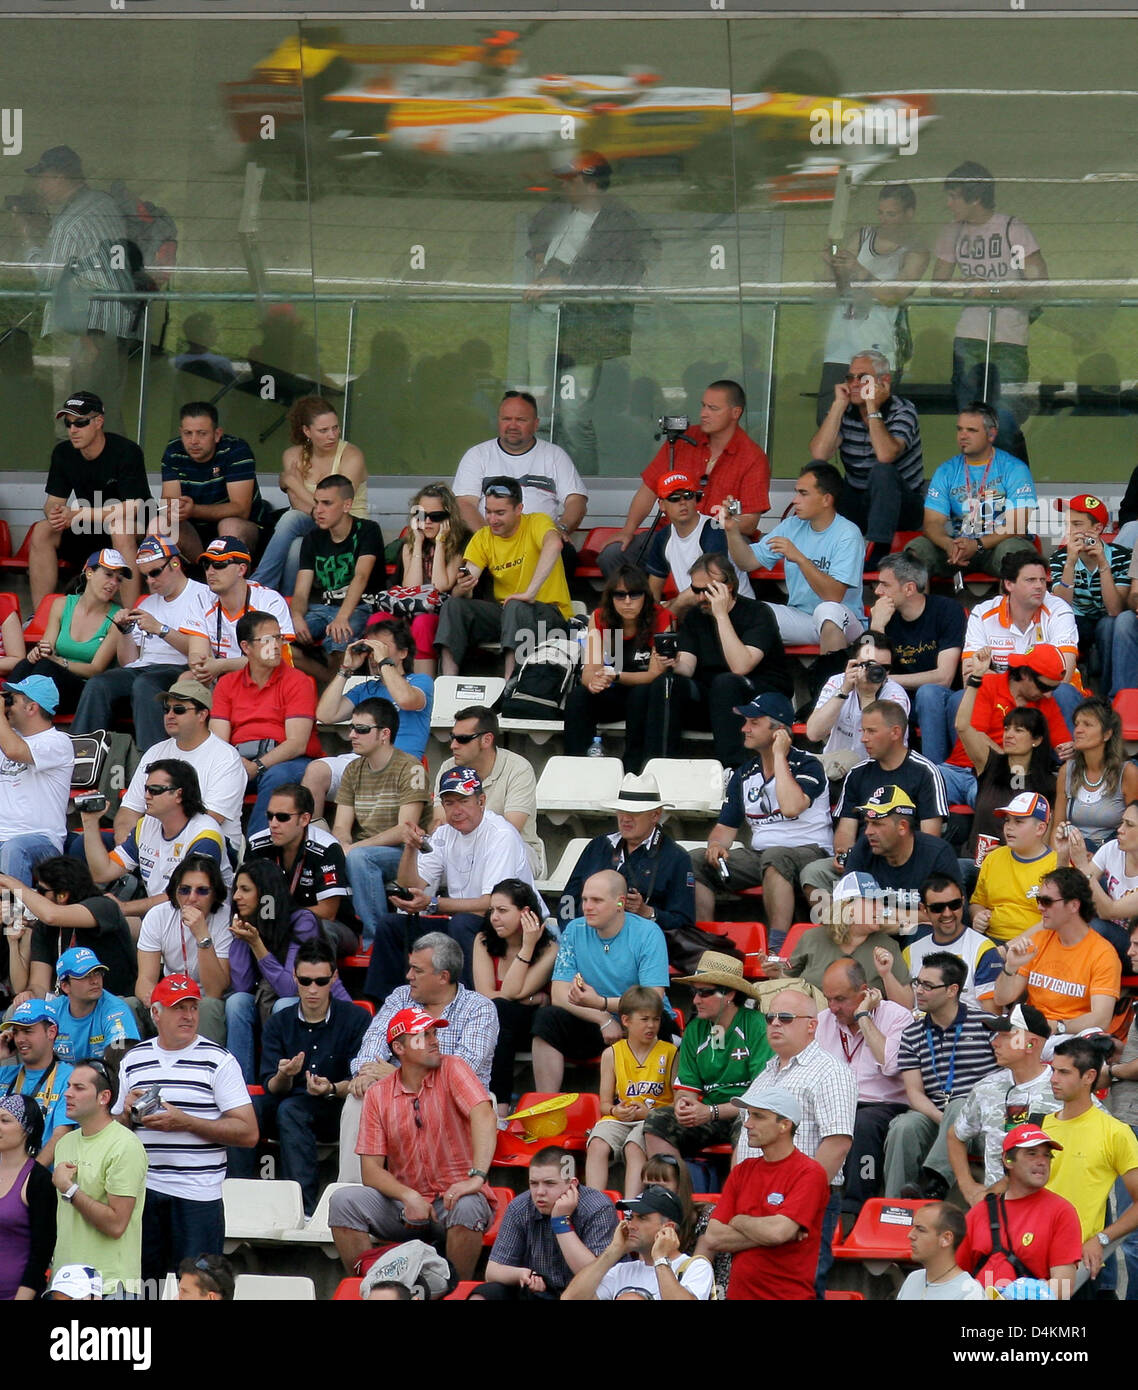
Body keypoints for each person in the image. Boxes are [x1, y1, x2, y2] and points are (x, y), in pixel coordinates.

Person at [328, 1007, 496, 1281]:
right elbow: (370, 1171)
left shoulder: (453, 1067)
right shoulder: (378, 1094)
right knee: (343, 1202)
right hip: (403, 1206)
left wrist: (477, 1177)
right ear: (399, 1047)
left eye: (433, 1033)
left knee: (468, 1205)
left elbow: (484, 1114)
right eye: (422, 1036)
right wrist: (408, 1195)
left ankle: (457, 1292)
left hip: (454, 1197)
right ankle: (371, 1290)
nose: (434, 1040)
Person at [114, 974, 256, 1289]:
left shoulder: (218, 1060)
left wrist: (186, 1122)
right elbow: (113, 1131)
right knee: (142, 1286)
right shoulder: (134, 1059)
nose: (188, 1015)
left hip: (198, 1194)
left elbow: (248, 1133)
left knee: (199, 1288)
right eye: (178, 1008)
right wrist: (126, 1113)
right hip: (144, 1191)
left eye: (193, 1006)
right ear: (155, 1013)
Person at [525, 151, 655, 476]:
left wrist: (560, 281)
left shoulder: (620, 221)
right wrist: (541, 256)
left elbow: (622, 272)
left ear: (591, 182)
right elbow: (539, 225)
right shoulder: (560, 211)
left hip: (584, 328)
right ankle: (540, 481)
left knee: (574, 416)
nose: (566, 186)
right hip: (545, 319)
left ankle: (583, 488)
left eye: (572, 179)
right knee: (539, 410)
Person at [362, 766, 539, 1003]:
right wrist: (411, 849)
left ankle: (468, 1007)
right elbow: (411, 884)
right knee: (391, 925)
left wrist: (434, 904)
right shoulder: (444, 833)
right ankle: (387, 1006)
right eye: (449, 803)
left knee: (463, 923)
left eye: (463, 801)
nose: (456, 810)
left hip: (509, 926)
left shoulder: (500, 834)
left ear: (481, 800)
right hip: (465, 921)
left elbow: (490, 905)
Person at [340, 932, 500, 1183]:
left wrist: (397, 1076)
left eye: (417, 970)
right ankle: (350, 1191)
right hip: (397, 1096)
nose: (409, 976)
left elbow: (462, 1071)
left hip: (456, 1101)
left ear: (443, 977)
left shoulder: (479, 1008)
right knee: (359, 1098)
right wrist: (365, 1073)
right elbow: (374, 1041)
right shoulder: (401, 997)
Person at [731, 989, 857, 1295]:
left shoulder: (830, 1071)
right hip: (757, 1199)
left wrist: (798, 1204)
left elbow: (838, 1142)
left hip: (803, 1203)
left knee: (799, 1288)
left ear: (812, 1025)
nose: (775, 1024)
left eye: (785, 1018)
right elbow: (744, 1138)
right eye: (770, 1017)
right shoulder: (765, 1073)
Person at [693, 693, 831, 950]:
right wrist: (715, 845)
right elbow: (725, 827)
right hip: (761, 855)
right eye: (745, 722)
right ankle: (702, 941)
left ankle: (777, 948)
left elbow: (791, 808)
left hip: (810, 852)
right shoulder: (744, 773)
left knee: (776, 857)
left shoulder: (808, 765)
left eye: (754, 723)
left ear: (779, 730)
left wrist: (779, 756)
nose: (745, 728)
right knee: (695, 860)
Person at [243, 939, 369, 1216]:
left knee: (291, 1110)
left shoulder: (356, 1019)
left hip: (337, 1104)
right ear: (295, 977)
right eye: (306, 980)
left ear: (334, 978)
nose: (313, 989)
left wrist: (331, 1088)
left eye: (321, 981)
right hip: (289, 1099)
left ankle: (304, 1208)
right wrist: (284, 1075)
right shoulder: (279, 1021)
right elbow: (272, 1086)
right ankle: (232, 1195)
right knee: (244, 1109)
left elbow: (364, 1080)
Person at [931, 161, 1048, 460]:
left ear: (975, 196)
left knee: (1005, 421)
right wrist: (964, 285)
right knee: (970, 424)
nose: (948, 204)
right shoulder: (952, 233)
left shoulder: (1012, 229)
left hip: (1009, 338)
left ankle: (1015, 489)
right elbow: (937, 286)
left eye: (954, 196)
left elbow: (1040, 284)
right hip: (969, 337)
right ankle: (976, 490)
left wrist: (993, 289)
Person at [23, 141, 140, 430]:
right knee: (106, 414)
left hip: (84, 331)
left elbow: (48, 276)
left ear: (58, 177)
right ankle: (113, 473)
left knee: (74, 419)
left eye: (41, 178)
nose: (38, 185)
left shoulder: (70, 223)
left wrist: (27, 240)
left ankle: (77, 474)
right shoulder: (103, 204)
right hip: (116, 323)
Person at [601, 379, 770, 577]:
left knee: (713, 563)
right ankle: (641, 604)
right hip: (672, 533)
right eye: (703, 406)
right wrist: (628, 530)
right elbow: (649, 489)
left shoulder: (753, 457)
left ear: (736, 413)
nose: (703, 413)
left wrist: (716, 525)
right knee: (612, 555)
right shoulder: (683, 440)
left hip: (720, 536)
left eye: (713, 408)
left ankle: (704, 605)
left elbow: (750, 521)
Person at [641, 552, 793, 770]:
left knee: (726, 682)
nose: (702, 597)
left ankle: (733, 770)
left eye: (709, 590)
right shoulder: (695, 615)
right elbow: (687, 666)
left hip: (760, 695)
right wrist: (672, 664)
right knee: (667, 683)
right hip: (715, 699)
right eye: (696, 590)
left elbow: (741, 666)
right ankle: (657, 767)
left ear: (728, 586)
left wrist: (721, 615)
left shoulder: (758, 613)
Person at [533, 870, 670, 1093]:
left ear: (620, 902)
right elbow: (559, 995)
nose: (587, 906)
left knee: (650, 1018)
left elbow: (652, 999)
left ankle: (646, 1104)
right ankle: (547, 1106)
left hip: (644, 1021)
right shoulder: (574, 931)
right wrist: (603, 1018)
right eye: (585, 899)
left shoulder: (648, 933)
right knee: (547, 1019)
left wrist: (602, 1003)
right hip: (596, 1022)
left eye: (596, 900)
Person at [72, 536, 208, 754]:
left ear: (175, 563)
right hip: (144, 669)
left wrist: (161, 629)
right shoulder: (146, 602)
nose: (150, 581)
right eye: (145, 576)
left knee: (145, 685)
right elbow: (129, 662)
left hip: (181, 668)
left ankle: (152, 761)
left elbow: (203, 651)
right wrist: (124, 632)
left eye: (155, 572)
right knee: (99, 683)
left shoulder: (203, 596)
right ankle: (82, 757)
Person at [224, 858, 354, 1083]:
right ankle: (241, 1087)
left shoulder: (302, 921)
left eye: (245, 889)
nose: (236, 896)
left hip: (326, 1007)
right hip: (277, 1003)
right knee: (237, 1002)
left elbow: (290, 988)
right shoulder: (254, 923)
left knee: (284, 1005)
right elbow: (242, 985)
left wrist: (257, 944)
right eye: (236, 889)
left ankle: (289, 1082)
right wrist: (241, 940)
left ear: (265, 894)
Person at [883, 952, 998, 1201]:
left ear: (952, 990)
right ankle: (895, 1208)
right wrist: (943, 1118)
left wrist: (957, 1117)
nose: (919, 991)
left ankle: (933, 1182)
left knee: (961, 1105)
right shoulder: (912, 1034)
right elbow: (914, 1093)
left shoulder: (987, 1024)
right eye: (917, 982)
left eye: (928, 985)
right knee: (903, 1127)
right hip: (934, 1116)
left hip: (980, 1124)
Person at [435, 475, 571, 680]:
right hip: (508, 614)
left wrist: (529, 593)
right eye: (488, 512)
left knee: (516, 606)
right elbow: (464, 584)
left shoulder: (536, 521)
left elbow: (555, 545)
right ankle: (448, 682)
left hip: (550, 614)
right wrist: (464, 586)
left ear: (519, 509)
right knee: (453, 605)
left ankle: (509, 685)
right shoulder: (483, 536)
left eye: (500, 513)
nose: (492, 519)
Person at [704, 1084, 831, 1301]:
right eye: (748, 1115)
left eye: (758, 1117)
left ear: (784, 1125)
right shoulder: (742, 1171)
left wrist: (739, 1220)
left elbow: (777, 1233)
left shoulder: (809, 1173)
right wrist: (775, 1233)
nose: (747, 1124)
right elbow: (713, 1237)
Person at [724, 462, 866, 655]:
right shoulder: (791, 526)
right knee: (742, 613)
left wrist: (799, 558)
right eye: (796, 492)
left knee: (828, 611)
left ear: (826, 499)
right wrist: (732, 531)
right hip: (801, 618)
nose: (795, 500)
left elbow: (833, 596)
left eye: (803, 493)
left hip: (845, 621)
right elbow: (747, 562)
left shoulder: (847, 533)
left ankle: (834, 684)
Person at [643, 951, 770, 1162]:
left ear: (729, 994)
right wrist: (685, 1106)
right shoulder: (694, 1029)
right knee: (657, 1121)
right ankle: (673, 1194)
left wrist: (712, 1111)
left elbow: (761, 1098)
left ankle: (739, 1194)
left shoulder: (757, 1025)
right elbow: (686, 1088)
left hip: (747, 1112)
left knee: (751, 1120)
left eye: (704, 993)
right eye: (694, 991)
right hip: (709, 1112)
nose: (695, 1000)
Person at [813, 183, 928, 415]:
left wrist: (859, 269)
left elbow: (893, 296)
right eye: (881, 212)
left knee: (872, 419)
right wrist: (832, 265)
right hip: (841, 345)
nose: (884, 219)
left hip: (880, 349)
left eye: (891, 214)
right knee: (829, 418)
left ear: (909, 213)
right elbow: (831, 290)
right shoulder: (862, 236)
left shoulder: (916, 251)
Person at [812, 699, 949, 891]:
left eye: (871, 731)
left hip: (906, 863)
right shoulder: (857, 773)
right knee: (813, 874)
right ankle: (840, 920)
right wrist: (845, 854)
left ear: (895, 732)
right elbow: (845, 829)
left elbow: (930, 837)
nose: (863, 739)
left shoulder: (925, 772)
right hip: (863, 861)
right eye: (863, 731)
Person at [209, 612, 322, 836]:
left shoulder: (297, 681)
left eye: (279, 638)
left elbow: (297, 743)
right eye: (268, 640)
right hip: (239, 760)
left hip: (288, 760)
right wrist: (238, 764)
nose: (277, 645)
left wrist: (257, 766)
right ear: (246, 646)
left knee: (276, 777)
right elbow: (219, 741)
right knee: (205, 775)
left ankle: (256, 850)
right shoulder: (227, 684)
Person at [809, 348, 927, 562]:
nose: (854, 383)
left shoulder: (903, 410)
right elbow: (820, 453)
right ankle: (815, 544)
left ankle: (877, 555)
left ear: (885, 381)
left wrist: (872, 406)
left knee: (882, 471)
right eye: (850, 377)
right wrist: (837, 406)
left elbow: (885, 455)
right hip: (859, 500)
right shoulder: (846, 411)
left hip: (903, 506)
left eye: (863, 378)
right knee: (818, 470)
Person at [816, 956, 912, 1219]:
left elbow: (891, 1065)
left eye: (840, 999)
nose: (833, 1008)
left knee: (861, 1122)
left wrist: (863, 1017)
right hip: (834, 1103)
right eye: (828, 999)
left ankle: (855, 1209)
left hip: (881, 1105)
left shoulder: (896, 1017)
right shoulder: (824, 1020)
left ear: (865, 992)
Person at [562, 772, 694, 955]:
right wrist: (570, 935)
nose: (625, 818)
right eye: (621, 811)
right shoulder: (598, 846)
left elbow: (684, 922)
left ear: (655, 815)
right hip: (586, 940)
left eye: (634, 813)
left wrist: (647, 912)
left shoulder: (676, 858)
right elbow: (568, 899)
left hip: (641, 948)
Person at [904, 402, 1038, 582]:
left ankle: (1007, 610)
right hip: (959, 547)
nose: (963, 436)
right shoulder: (946, 471)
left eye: (971, 430)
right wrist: (948, 544)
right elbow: (932, 523)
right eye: (960, 429)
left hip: (997, 546)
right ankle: (920, 610)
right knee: (917, 550)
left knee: (1014, 553)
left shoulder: (1015, 469)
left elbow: (1017, 524)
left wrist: (978, 545)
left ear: (991, 434)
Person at [83, 757, 230, 920]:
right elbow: (102, 872)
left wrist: (124, 907)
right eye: (146, 789)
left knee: (107, 921)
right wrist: (90, 823)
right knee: (95, 920)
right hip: (161, 919)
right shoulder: (146, 824)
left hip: (201, 921)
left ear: (178, 794)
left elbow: (187, 897)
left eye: (154, 790)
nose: (146, 796)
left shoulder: (205, 835)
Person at [309, 617, 433, 809]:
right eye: (371, 647)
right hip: (360, 763)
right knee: (316, 771)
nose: (374, 654)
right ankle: (316, 836)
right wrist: (345, 669)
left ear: (403, 652)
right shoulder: (364, 688)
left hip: (399, 764)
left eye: (382, 646)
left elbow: (406, 700)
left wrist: (384, 661)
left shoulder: (420, 682)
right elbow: (326, 715)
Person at [251, 395, 369, 595]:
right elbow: (298, 505)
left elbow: (337, 506)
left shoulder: (351, 456)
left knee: (290, 519)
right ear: (307, 431)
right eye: (323, 430)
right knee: (297, 545)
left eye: (335, 428)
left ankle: (258, 587)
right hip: (312, 527)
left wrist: (293, 483)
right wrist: (316, 504)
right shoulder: (292, 455)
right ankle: (285, 603)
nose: (332, 435)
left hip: (347, 528)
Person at [932, 644, 1072, 810]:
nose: (1048, 694)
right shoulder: (990, 684)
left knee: (999, 795)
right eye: (1044, 686)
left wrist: (1071, 749)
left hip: (1002, 775)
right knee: (924, 781)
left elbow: (1063, 748)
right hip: (959, 770)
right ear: (1025, 674)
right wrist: (1007, 759)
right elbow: (975, 734)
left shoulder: (1047, 703)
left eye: (1053, 688)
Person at [51, 1058, 147, 1299]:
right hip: (65, 1283)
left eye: (79, 1088)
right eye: (68, 1086)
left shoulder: (125, 1145)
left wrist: (69, 1190)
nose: (68, 1094)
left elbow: (116, 1224)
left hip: (108, 1285)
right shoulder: (64, 1143)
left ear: (104, 1097)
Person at [801, 774, 955, 923]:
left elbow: (944, 916)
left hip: (919, 938)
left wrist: (883, 914)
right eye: (867, 823)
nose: (868, 831)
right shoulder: (864, 846)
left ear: (902, 827)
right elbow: (848, 908)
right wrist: (902, 918)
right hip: (875, 936)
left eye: (877, 824)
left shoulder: (937, 853)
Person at [113, 677, 246, 850]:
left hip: (208, 845)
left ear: (202, 715)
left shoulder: (226, 757)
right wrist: (125, 838)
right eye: (166, 709)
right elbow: (130, 809)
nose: (170, 715)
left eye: (179, 709)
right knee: (84, 844)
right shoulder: (155, 752)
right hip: (154, 844)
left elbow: (211, 820)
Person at [562, 564, 672, 770]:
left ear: (645, 596)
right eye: (620, 595)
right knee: (579, 696)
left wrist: (616, 676)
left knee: (640, 695)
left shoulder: (661, 617)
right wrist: (593, 682)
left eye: (635, 595)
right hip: (615, 689)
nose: (627, 602)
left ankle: (633, 769)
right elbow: (590, 669)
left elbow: (655, 674)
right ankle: (575, 766)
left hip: (647, 693)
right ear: (611, 598)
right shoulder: (599, 617)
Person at [948, 1003, 1059, 1205]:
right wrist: (967, 1186)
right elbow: (955, 1136)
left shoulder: (1062, 1089)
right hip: (998, 1211)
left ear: (1031, 1044)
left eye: (1005, 1036)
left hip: (1049, 1209)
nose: (995, 1043)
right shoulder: (986, 1088)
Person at [955, 1123, 1080, 1298]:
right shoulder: (980, 1212)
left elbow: (1064, 1286)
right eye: (1031, 1153)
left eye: (1047, 1156)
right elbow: (955, 1276)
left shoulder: (1061, 1211)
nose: (1042, 1161)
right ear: (1008, 1160)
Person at [477, 1145, 618, 1300]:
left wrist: (561, 1222)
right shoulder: (520, 1207)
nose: (540, 1192)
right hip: (540, 1293)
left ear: (572, 1184)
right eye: (534, 1183)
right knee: (486, 1293)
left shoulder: (598, 1207)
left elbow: (595, 1275)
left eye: (549, 1183)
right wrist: (524, 1274)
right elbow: (492, 1271)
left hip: (585, 1294)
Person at [995, 865, 1121, 1036]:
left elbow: (1101, 1020)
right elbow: (1002, 999)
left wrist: (1056, 1027)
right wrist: (1010, 967)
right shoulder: (1038, 940)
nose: (1040, 908)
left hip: (1070, 1038)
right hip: (1028, 1033)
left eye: (1047, 902)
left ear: (1074, 905)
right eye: (1038, 900)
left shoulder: (1103, 954)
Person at [332, 699, 431, 915]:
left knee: (360, 858)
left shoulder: (410, 768)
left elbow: (405, 830)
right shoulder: (352, 769)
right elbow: (340, 826)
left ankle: (374, 938)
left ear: (384, 734)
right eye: (352, 728)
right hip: (363, 850)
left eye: (362, 729)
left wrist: (355, 849)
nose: (352, 735)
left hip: (406, 853)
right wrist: (342, 845)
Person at [453, 390, 586, 552]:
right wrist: (488, 540)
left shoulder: (554, 455)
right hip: (489, 542)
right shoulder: (477, 455)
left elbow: (576, 501)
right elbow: (464, 504)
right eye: (506, 419)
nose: (513, 425)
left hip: (540, 542)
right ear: (498, 421)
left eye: (521, 420)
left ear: (536, 424)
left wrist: (561, 529)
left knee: (566, 554)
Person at [473, 881, 559, 1116]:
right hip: (495, 1023)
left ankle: (498, 1107)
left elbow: (509, 993)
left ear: (525, 913)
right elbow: (485, 996)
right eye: (492, 910)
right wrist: (534, 998)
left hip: (531, 1028)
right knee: (497, 1011)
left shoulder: (549, 948)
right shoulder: (483, 940)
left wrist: (528, 946)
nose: (494, 918)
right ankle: (498, 1105)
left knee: (500, 1009)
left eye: (502, 911)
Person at [953, 694, 1056, 891]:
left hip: (1015, 868)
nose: (1009, 735)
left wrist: (1008, 853)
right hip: (974, 862)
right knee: (956, 872)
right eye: (1007, 728)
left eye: (1019, 730)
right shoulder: (989, 764)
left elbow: (1044, 840)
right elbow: (962, 726)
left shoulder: (1048, 784)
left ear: (1036, 740)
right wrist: (975, 682)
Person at [289, 473, 384, 682]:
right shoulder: (312, 538)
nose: (318, 510)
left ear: (347, 505)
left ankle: (332, 689)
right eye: (316, 503)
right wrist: (296, 616)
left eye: (327, 503)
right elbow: (301, 591)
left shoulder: (368, 531)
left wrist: (342, 616)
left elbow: (361, 576)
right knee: (280, 642)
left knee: (340, 636)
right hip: (322, 608)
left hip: (360, 606)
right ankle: (328, 680)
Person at [131, 855, 234, 1047]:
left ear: (215, 894)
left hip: (204, 1003)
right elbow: (144, 980)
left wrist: (202, 936)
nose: (192, 898)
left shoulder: (224, 918)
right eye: (185, 890)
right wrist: (154, 998)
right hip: (169, 998)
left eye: (202, 891)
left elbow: (215, 990)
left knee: (208, 1006)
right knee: (128, 1005)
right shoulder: (158, 915)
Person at [10, 549, 127, 715]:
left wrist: (60, 662)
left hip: (84, 691)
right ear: (89, 573)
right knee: (26, 663)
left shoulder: (117, 616)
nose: (114, 583)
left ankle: (13, 708)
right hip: (49, 681)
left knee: (46, 667)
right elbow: (47, 647)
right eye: (108, 575)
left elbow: (96, 669)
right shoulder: (61, 604)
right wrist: (38, 652)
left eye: (119, 579)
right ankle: (7, 703)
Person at [431, 706, 544, 879]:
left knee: (499, 853)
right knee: (427, 855)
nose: (453, 745)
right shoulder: (449, 767)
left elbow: (509, 831)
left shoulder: (518, 768)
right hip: (460, 846)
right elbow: (442, 823)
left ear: (486, 740)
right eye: (452, 737)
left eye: (462, 739)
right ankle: (423, 905)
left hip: (517, 849)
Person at [3, 855, 135, 1002]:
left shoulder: (103, 907)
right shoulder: (44, 927)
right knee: (16, 1011)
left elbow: (51, 915)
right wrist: (30, 995)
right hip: (70, 1007)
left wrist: (9, 882)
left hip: (115, 1004)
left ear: (63, 895)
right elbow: (39, 984)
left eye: (41, 890)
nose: (37, 895)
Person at [586, 986, 677, 1197]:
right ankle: (593, 1205)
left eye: (656, 1019)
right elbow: (605, 1105)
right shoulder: (612, 1054)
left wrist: (648, 1113)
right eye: (644, 1019)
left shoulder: (670, 1051)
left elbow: (677, 1102)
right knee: (598, 1143)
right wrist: (616, 1111)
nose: (651, 1025)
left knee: (633, 1146)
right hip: (622, 1118)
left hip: (654, 1118)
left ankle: (630, 1206)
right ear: (626, 1020)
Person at [243, 782, 356, 951]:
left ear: (304, 819)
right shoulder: (257, 844)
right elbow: (247, 896)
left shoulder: (327, 848)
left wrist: (282, 916)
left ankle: (316, 977)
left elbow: (328, 911)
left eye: (282, 817)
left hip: (333, 926)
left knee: (313, 929)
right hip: (272, 921)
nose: (273, 823)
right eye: (270, 816)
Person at [372, 483, 470, 675]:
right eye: (422, 516)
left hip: (443, 615)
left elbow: (440, 586)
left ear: (449, 517)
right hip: (409, 611)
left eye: (436, 517)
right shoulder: (411, 544)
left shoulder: (461, 541)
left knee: (423, 623)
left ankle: (423, 687)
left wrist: (441, 542)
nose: (428, 522)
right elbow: (412, 588)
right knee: (378, 619)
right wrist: (417, 543)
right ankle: (384, 687)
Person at [774, 870, 915, 1002]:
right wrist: (776, 974)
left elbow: (906, 1007)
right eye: (872, 901)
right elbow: (786, 983)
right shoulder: (812, 938)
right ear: (848, 907)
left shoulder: (888, 946)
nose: (880, 908)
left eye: (879, 901)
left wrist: (887, 975)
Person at [157, 401, 272, 562]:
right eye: (188, 433)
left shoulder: (236, 450)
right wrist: (174, 509)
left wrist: (193, 510)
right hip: (194, 530)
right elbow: (169, 501)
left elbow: (241, 509)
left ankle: (228, 581)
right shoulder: (174, 450)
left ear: (217, 434)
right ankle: (189, 581)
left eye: (202, 433)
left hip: (243, 529)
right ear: (180, 432)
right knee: (159, 524)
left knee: (229, 526)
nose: (193, 441)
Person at [560, 1184, 714, 1300]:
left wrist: (660, 1258)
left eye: (642, 1218)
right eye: (630, 1217)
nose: (630, 1225)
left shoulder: (696, 1267)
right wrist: (614, 1250)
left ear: (668, 1228)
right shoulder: (622, 1270)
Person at [961, 551, 1081, 695]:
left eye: (1042, 580)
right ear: (1009, 584)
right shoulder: (981, 614)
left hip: (1049, 697)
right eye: (1031, 580)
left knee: (1064, 692)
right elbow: (970, 678)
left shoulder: (1059, 610)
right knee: (960, 698)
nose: (1039, 586)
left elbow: (1062, 674)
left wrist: (997, 679)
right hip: (1000, 699)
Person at [1049, 493, 1130, 696]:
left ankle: (1108, 696)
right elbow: (1060, 606)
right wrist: (1070, 562)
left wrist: (1103, 564)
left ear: (1097, 529)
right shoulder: (1060, 557)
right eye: (1068, 524)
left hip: (1108, 624)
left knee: (1110, 624)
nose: (1070, 530)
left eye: (1077, 524)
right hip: (1076, 620)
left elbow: (1114, 610)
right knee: (1064, 622)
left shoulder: (1121, 556)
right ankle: (1070, 689)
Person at [184, 538, 294, 683]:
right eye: (206, 565)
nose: (210, 571)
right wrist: (202, 666)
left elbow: (269, 658)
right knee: (186, 680)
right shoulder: (201, 600)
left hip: (269, 680)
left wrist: (221, 666)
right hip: (222, 680)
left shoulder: (269, 601)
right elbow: (197, 653)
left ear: (241, 569)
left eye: (219, 564)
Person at [641, 472, 754, 612]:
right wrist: (653, 617)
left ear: (696, 499)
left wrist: (670, 609)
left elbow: (708, 586)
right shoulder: (663, 537)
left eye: (688, 496)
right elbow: (654, 590)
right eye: (674, 498)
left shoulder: (713, 530)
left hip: (735, 609)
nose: (682, 502)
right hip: (701, 610)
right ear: (662, 505)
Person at [0, 674, 74, 887]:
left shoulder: (58, 742)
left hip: (41, 841)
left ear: (32, 708)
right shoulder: (7, 736)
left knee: (14, 849)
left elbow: (15, 751)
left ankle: (15, 918)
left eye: (11, 700)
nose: (7, 706)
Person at [805, 631, 910, 780]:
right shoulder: (837, 682)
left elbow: (882, 747)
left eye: (884, 668)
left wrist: (868, 696)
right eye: (870, 665)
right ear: (854, 663)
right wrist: (843, 691)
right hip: (835, 774)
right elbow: (814, 733)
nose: (877, 672)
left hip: (878, 773)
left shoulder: (895, 694)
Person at [869, 551, 965, 703]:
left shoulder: (947, 611)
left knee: (927, 694)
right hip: (895, 699)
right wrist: (876, 628)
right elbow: (869, 675)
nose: (877, 591)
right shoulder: (881, 614)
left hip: (940, 700)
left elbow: (944, 678)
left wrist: (887, 679)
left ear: (909, 589)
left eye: (885, 585)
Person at [970, 791, 1058, 946]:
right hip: (989, 940)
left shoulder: (1057, 865)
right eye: (1007, 820)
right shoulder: (993, 857)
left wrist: (1009, 948)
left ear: (1040, 828)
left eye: (1018, 822)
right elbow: (977, 902)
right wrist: (977, 915)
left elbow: (1057, 920)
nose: (1009, 827)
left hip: (1036, 945)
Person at [1053, 699, 1138, 856]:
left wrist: (1101, 859)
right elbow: (1057, 827)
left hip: (1113, 857)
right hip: (1072, 856)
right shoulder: (1067, 771)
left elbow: (1135, 828)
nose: (1078, 730)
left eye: (1087, 724)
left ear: (1106, 734)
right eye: (1077, 724)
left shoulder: (1127, 773)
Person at [905, 875, 1004, 1009]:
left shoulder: (983, 949)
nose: (947, 913)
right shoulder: (910, 952)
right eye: (937, 908)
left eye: (954, 905)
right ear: (924, 909)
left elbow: (992, 1016)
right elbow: (903, 1009)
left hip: (969, 1029)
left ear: (963, 902)